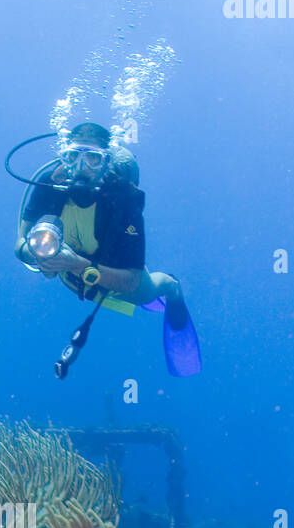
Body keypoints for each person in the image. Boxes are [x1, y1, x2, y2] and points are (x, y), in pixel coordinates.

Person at [14, 122, 200, 373]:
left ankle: (172, 288)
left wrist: (73, 263)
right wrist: (36, 254)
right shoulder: (48, 184)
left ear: (106, 163)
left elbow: (132, 281)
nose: (80, 168)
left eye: (92, 158)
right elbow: (20, 244)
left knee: (145, 293)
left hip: (116, 281)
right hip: (73, 280)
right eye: (72, 156)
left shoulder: (123, 198)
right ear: (63, 157)